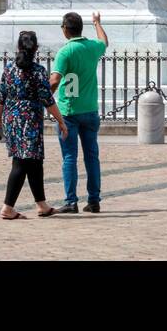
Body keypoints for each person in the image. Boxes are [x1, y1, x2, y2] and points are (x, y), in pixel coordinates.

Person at [0, 30, 67, 219]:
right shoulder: (38, 71)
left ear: (18, 47)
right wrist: (61, 121)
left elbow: (1, 98)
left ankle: (42, 205)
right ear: (36, 48)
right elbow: (48, 100)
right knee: (21, 163)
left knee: (35, 162)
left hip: (12, 120)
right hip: (29, 122)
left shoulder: (9, 69)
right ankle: (7, 207)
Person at [50, 11, 108, 213]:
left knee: (69, 157)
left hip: (68, 111)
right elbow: (104, 41)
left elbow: (55, 80)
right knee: (92, 156)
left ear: (65, 29)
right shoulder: (92, 47)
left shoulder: (65, 52)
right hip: (90, 109)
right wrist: (97, 23)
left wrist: (44, 99)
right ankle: (94, 200)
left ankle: (71, 201)